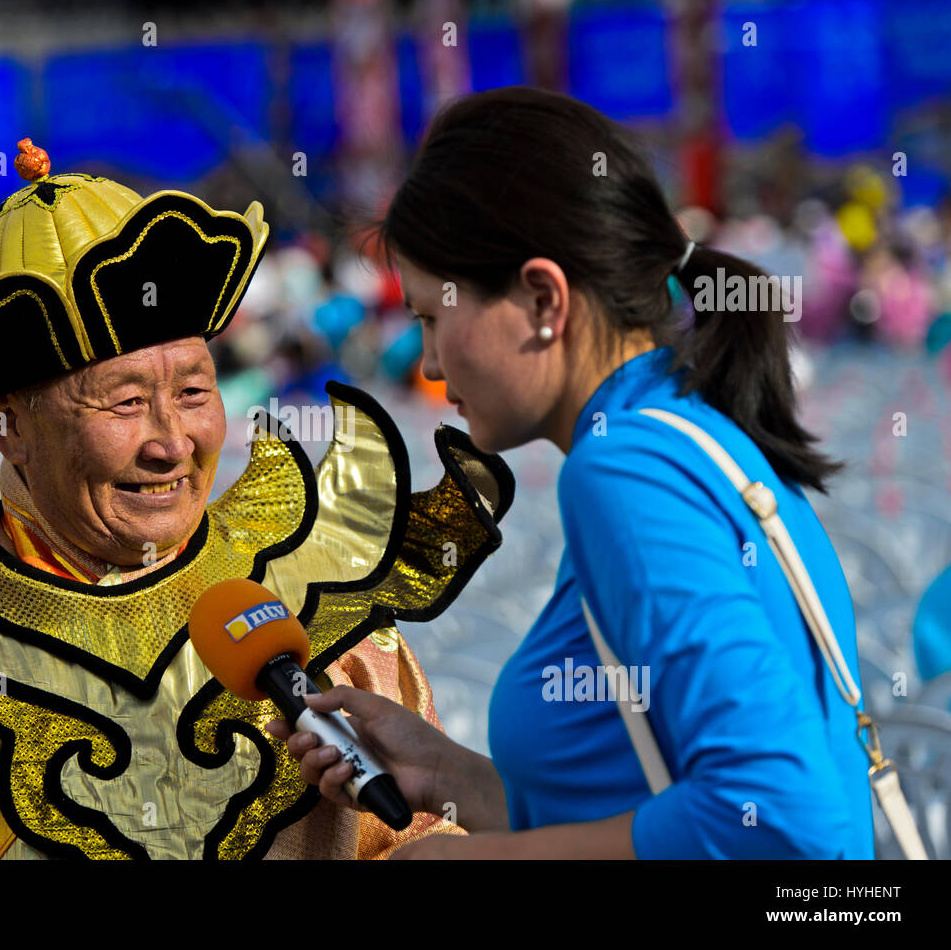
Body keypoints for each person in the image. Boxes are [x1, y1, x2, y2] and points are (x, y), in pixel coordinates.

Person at [0, 141, 514, 859]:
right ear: (11, 428)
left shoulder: (329, 627)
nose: (170, 442)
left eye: (192, 391)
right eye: (121, 402)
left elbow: (417, 842)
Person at [269, 87, 876, 859]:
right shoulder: (684, 434)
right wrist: (443, 774)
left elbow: (781, 818)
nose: (426, 361)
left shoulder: (623, 473)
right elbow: (647, 801)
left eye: (432, 316)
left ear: (543, 298)